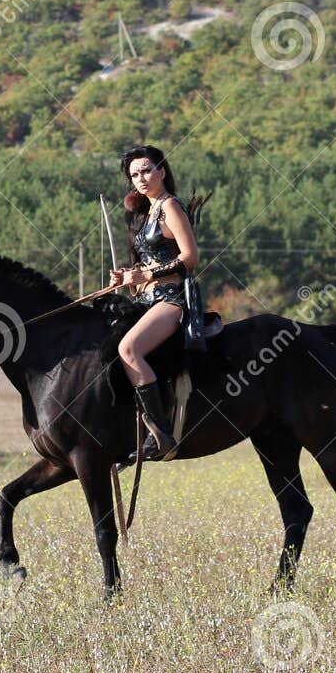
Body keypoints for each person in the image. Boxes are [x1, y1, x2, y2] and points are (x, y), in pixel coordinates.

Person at [108, 143, 199, 461]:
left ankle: (160, 433)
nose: (141, 178)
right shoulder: (143, 213)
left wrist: (143, 274)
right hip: (145, 300)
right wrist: (127, 276)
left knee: (128, 349)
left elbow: (190, 258)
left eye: (147, 170)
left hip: (170, 301)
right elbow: (145, 266)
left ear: (161, 171)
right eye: (135, 174)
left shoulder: (171, 206)